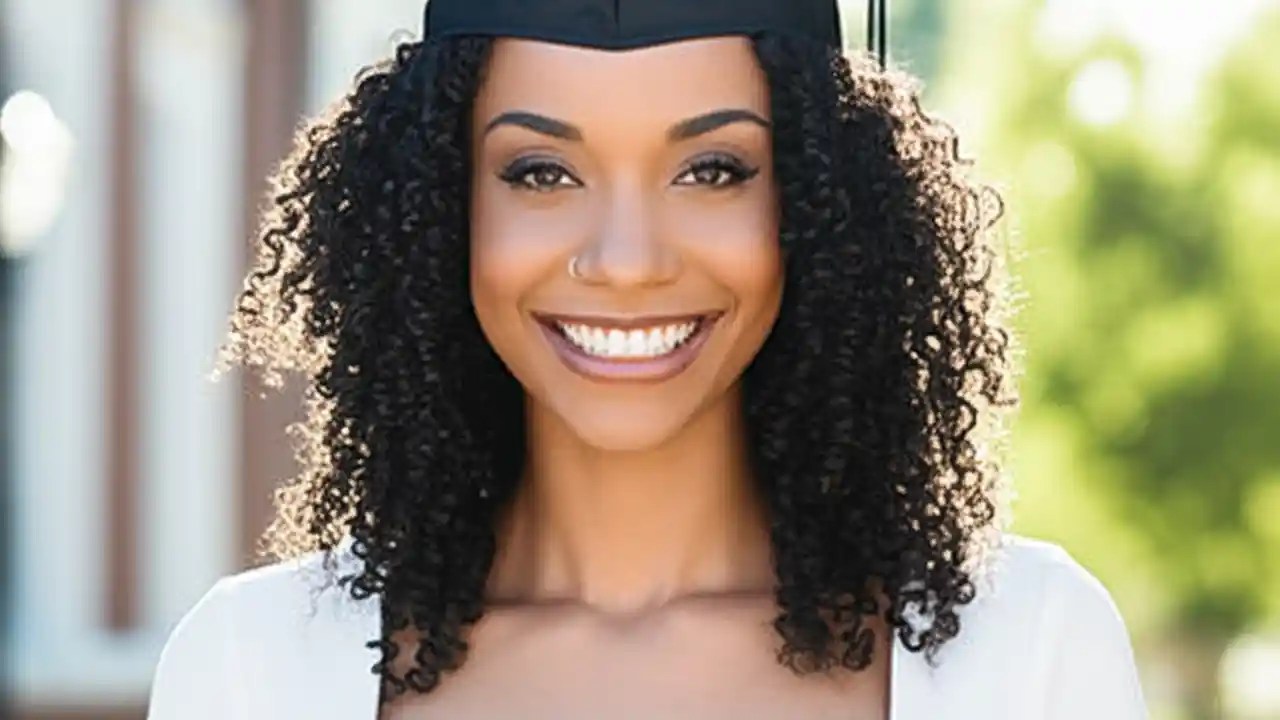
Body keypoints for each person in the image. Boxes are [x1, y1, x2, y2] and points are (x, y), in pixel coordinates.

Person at [147, 1, 1148, 718]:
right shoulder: (252, 671)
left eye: (711, 170)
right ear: (445, 207)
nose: (625, 260)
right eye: (540, 172)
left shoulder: (1024, 655)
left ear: (814, 202)